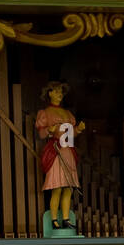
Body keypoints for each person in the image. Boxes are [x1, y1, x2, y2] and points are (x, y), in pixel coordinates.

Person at [35, 81, 84, 229]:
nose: (59, 94)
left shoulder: (68, 114)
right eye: (56, 91)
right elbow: (42, 134)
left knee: (68, 188)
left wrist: (79, 129)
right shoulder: (45, 113)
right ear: (49, 93)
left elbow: (71, 133)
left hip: (68, 151)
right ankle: (54, 219)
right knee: (57, 187)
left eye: (61, 92)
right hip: (56, 151)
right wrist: (49, 130)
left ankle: (66, 219)